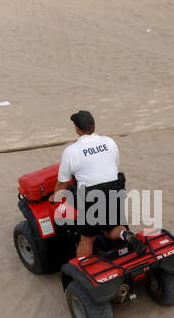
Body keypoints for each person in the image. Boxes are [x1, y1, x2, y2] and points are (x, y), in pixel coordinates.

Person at [52, 110, 145, 259]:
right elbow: (112, 168)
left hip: (91, 197)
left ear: (77, 129)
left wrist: (54, 198)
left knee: (88, 238)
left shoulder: (71, 151)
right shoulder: (109, 142)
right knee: (112, 228)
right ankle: (125, 234)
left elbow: (62, 185)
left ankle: (84, 269)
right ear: (94, 126)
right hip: (115, 189)